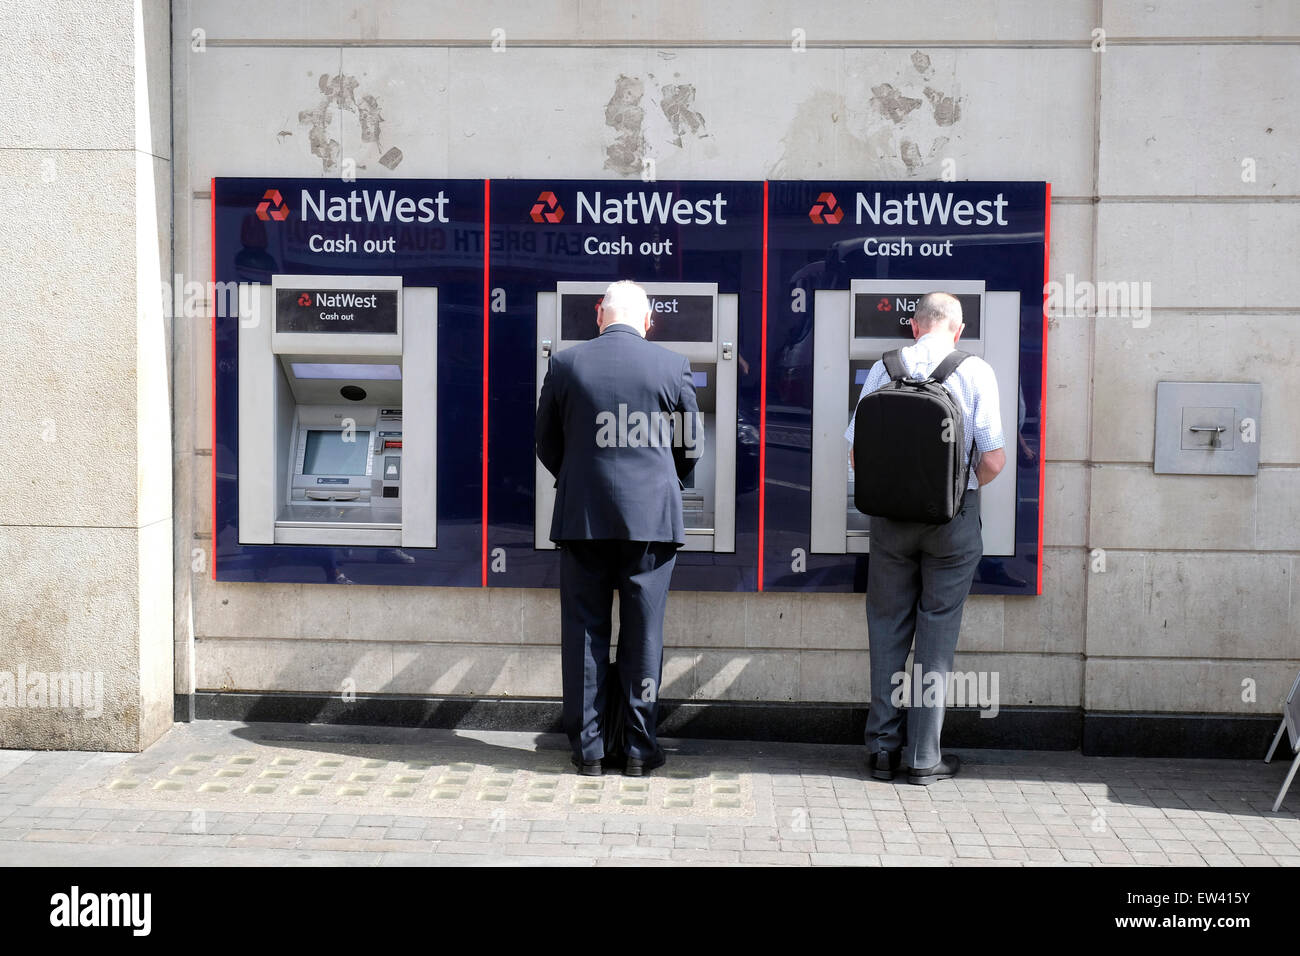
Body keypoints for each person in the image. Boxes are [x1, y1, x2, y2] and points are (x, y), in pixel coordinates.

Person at [535, 280, 702, 777]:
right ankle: (637, 748)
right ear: (648, 321)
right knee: (644, 635)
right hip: (651, 522)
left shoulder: (566, 363)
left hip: (583, 519)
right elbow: (690, 445)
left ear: (598, 314)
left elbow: (546, 441)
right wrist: (665, 482)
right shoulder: (671, 365)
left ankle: (588, 750)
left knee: (583, 631)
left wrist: (581, 478)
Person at [844, 292, 1005, 785]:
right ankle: (922, 757)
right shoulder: (976, 371)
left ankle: (882, 750)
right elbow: (995, 458)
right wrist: (956, 488)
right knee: (937, 634)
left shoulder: (883, 368)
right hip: (951, 521)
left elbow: (855, 454)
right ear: (957, 330)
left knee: (887, 628)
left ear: (914, 327)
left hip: (890, 520)